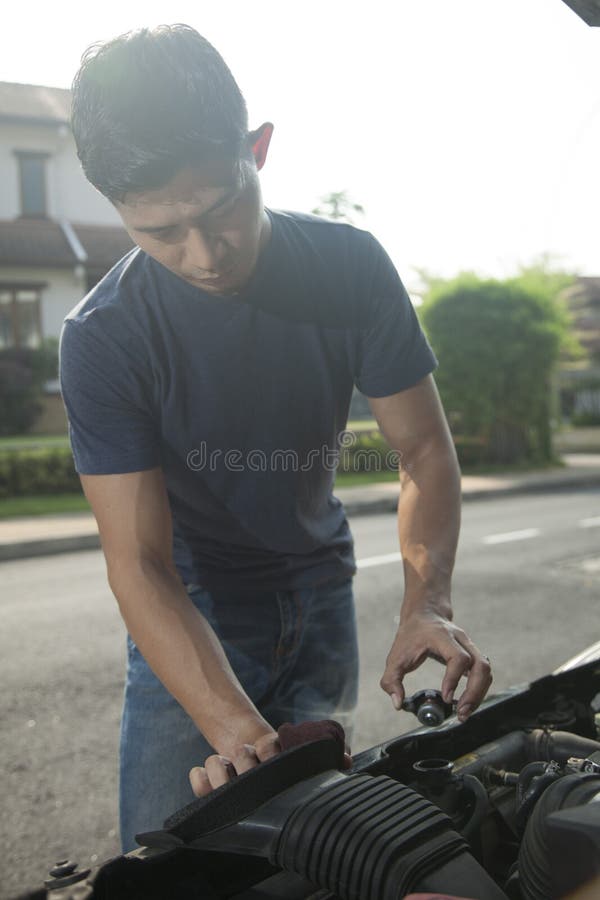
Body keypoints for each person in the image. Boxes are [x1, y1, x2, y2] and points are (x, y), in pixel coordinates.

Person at [59, 24, 493, 853]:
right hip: (193, 613)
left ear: (256, 150)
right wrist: (232, 725)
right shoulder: (105, 336)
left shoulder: (352, 266)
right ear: (117, 209)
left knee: (313, 852)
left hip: (322, 593)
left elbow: (424, 453)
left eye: (220, 211)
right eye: (159, 233)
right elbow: (138, 563)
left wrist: (425, 604)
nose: (202, 254)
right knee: (172, 865)